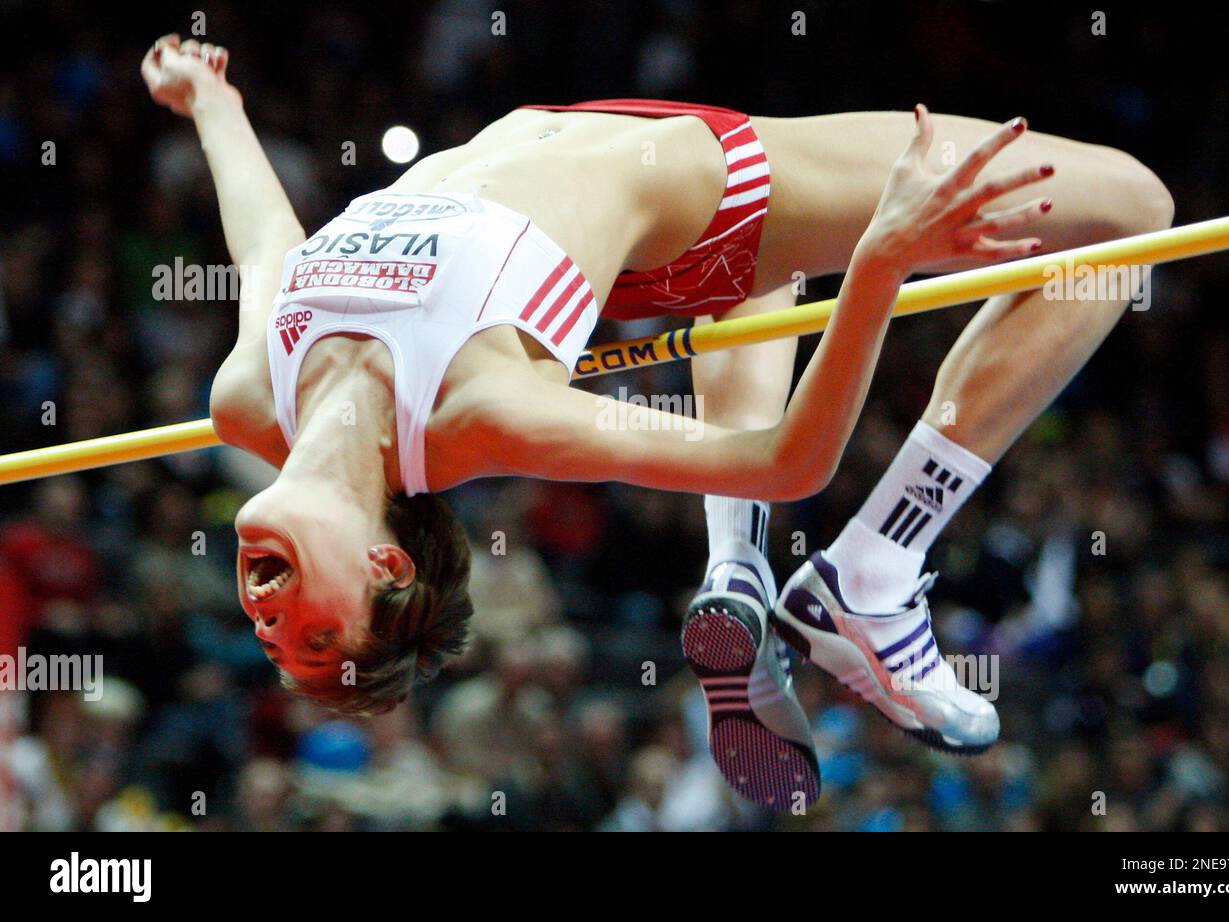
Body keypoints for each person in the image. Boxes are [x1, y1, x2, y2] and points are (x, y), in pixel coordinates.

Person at [140, 32, 1171, 809]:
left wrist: (212, 103)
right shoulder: (475, 414)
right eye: (314, 635)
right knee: (1133, 211)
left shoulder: (250, 393)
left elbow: (267, 238)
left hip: (623, 185)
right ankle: (874, 572)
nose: (269, 623)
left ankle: (737, 567)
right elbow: (782, 459)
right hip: (706, 189)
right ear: (384, 566)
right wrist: (881, 264)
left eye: (274, 641)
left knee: (760, 287)